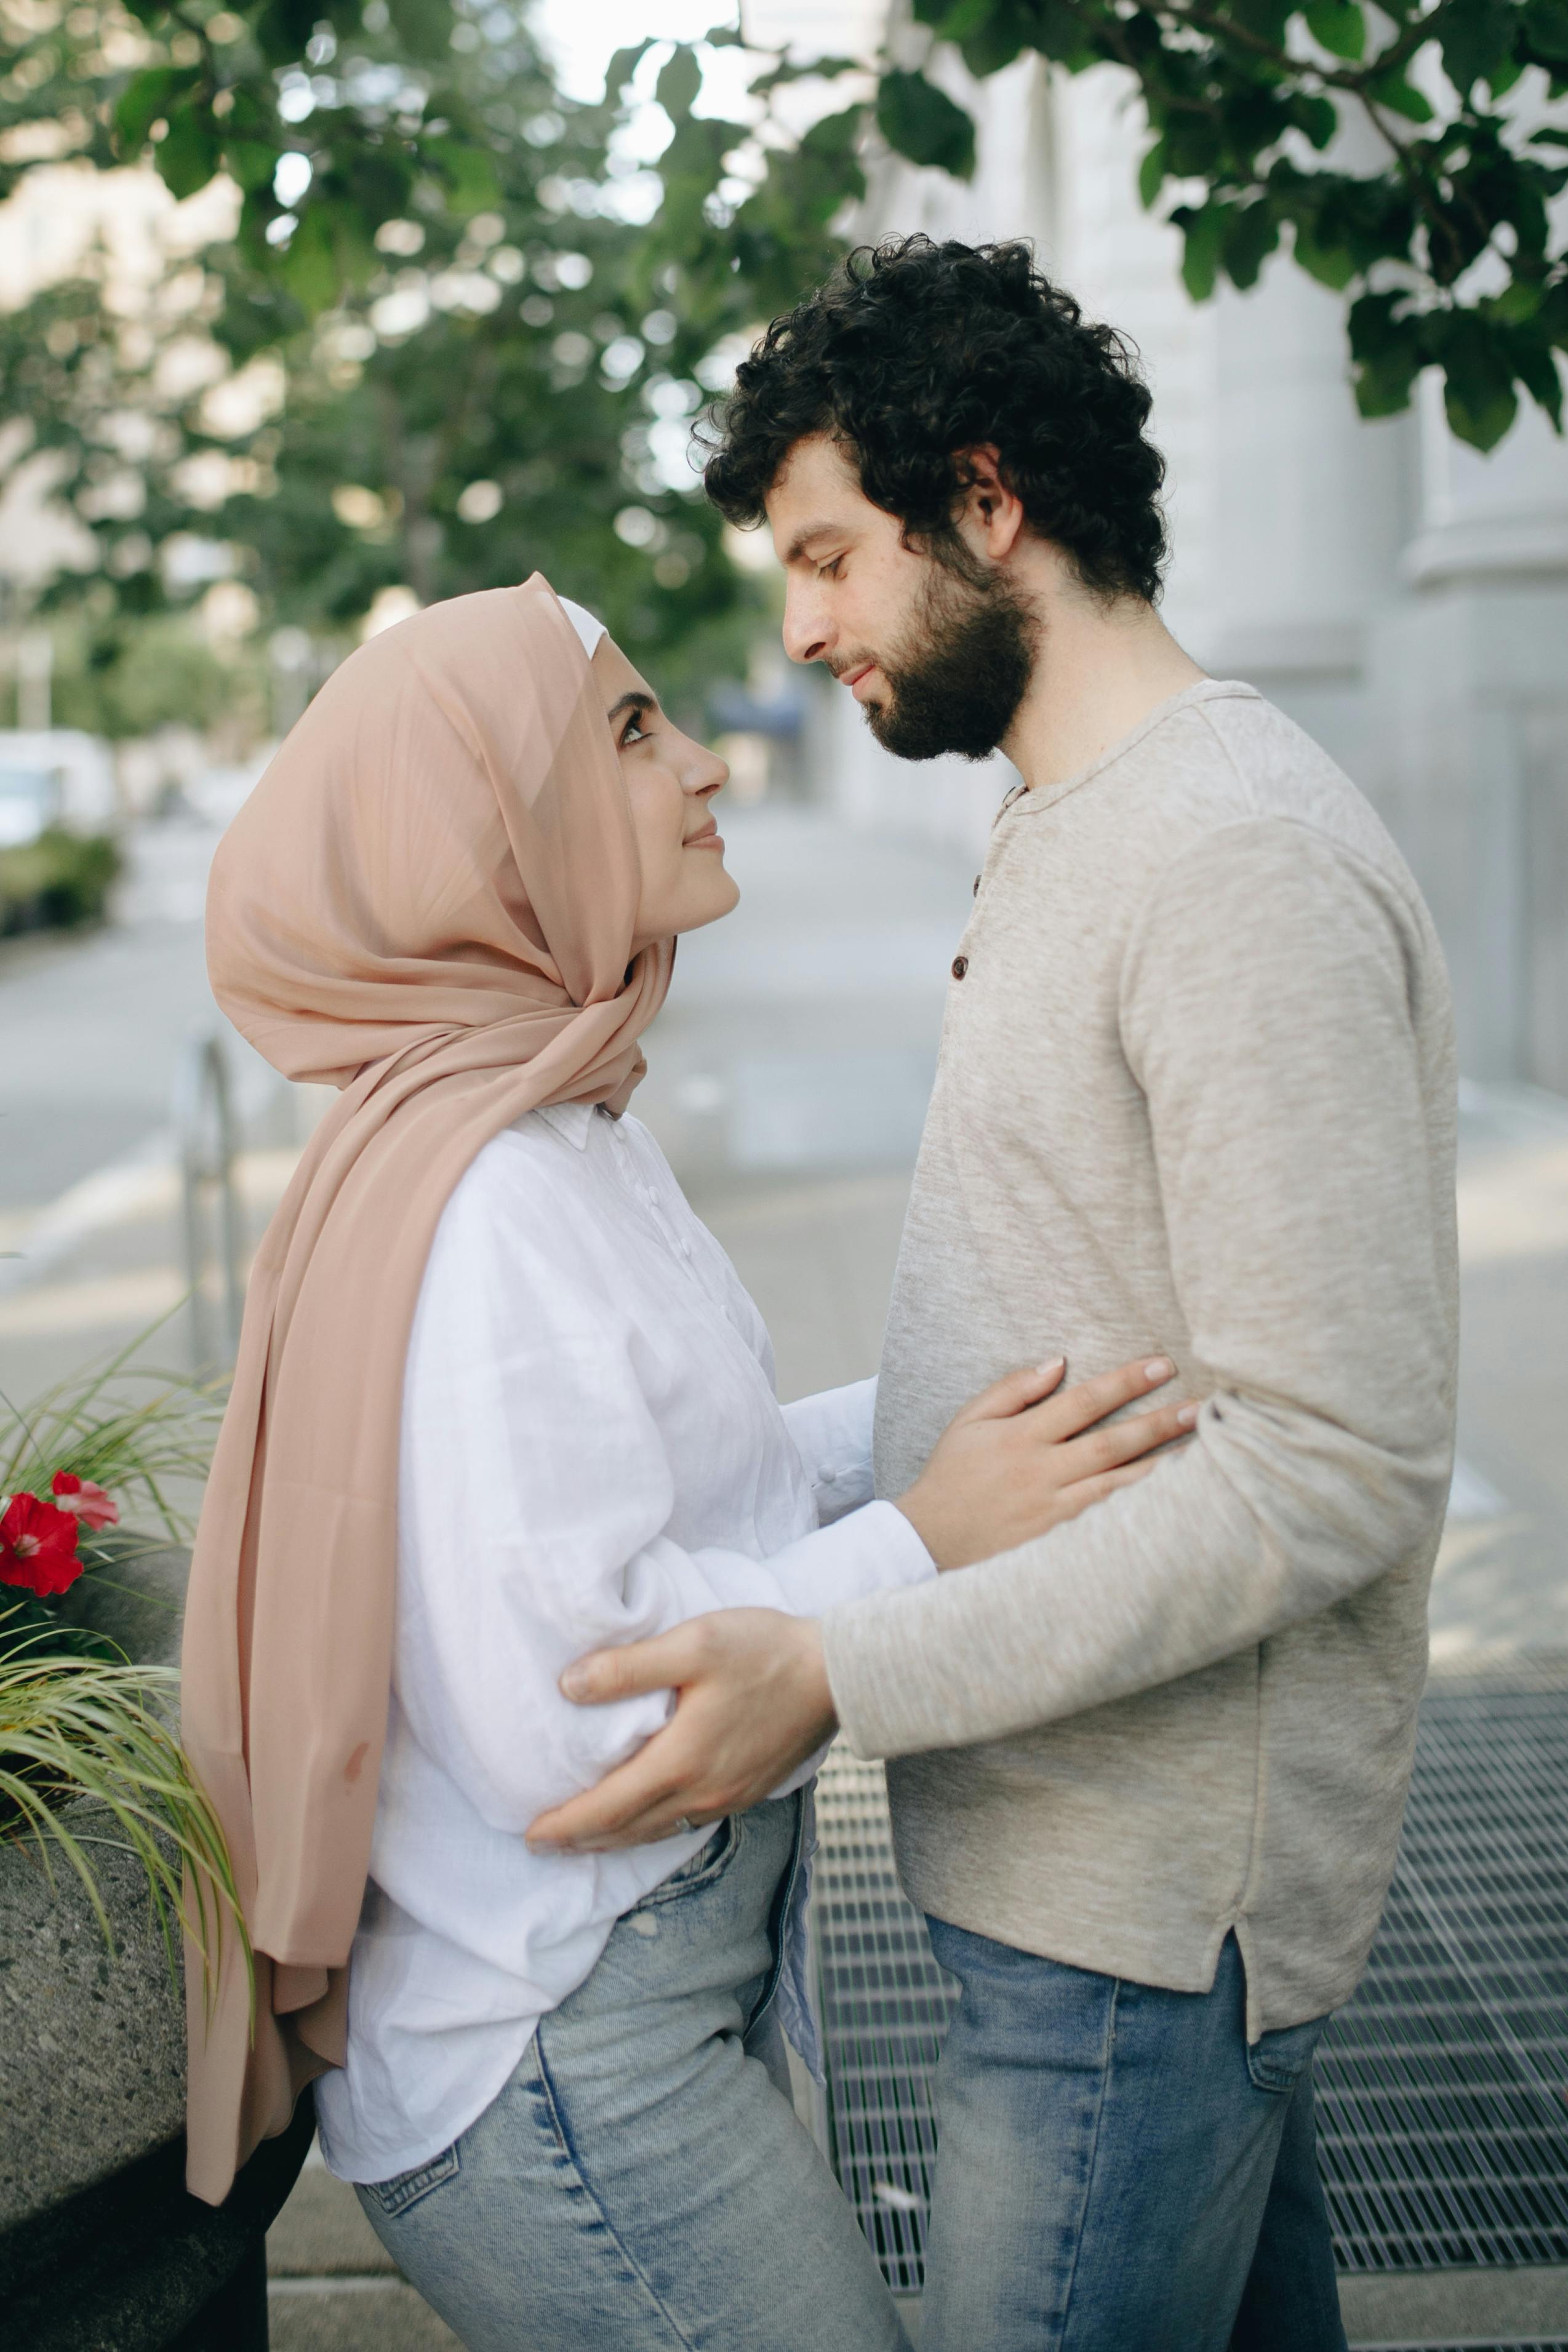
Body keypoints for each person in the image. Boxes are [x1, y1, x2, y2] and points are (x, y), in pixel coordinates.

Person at [527, 239, 1461, 2352]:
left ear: (984, 500)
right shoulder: (1078, 820)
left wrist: (844, 1668)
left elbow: (1338, 1464)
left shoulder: (1229, 858)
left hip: (1134, 1927)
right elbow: (1079, 1310)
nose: (798, 628)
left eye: (830, 555)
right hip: (1065, 1877)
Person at [177, 573, 1190, 2352]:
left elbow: (694, 1492)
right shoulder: (487, 1200)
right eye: (632, 731)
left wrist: (942, 1425)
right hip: (558, 2055)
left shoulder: (541, 1119)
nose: (709, 763)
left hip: (621, 2010)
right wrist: (928, 1535)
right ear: (494, 824)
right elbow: (576, 1719)